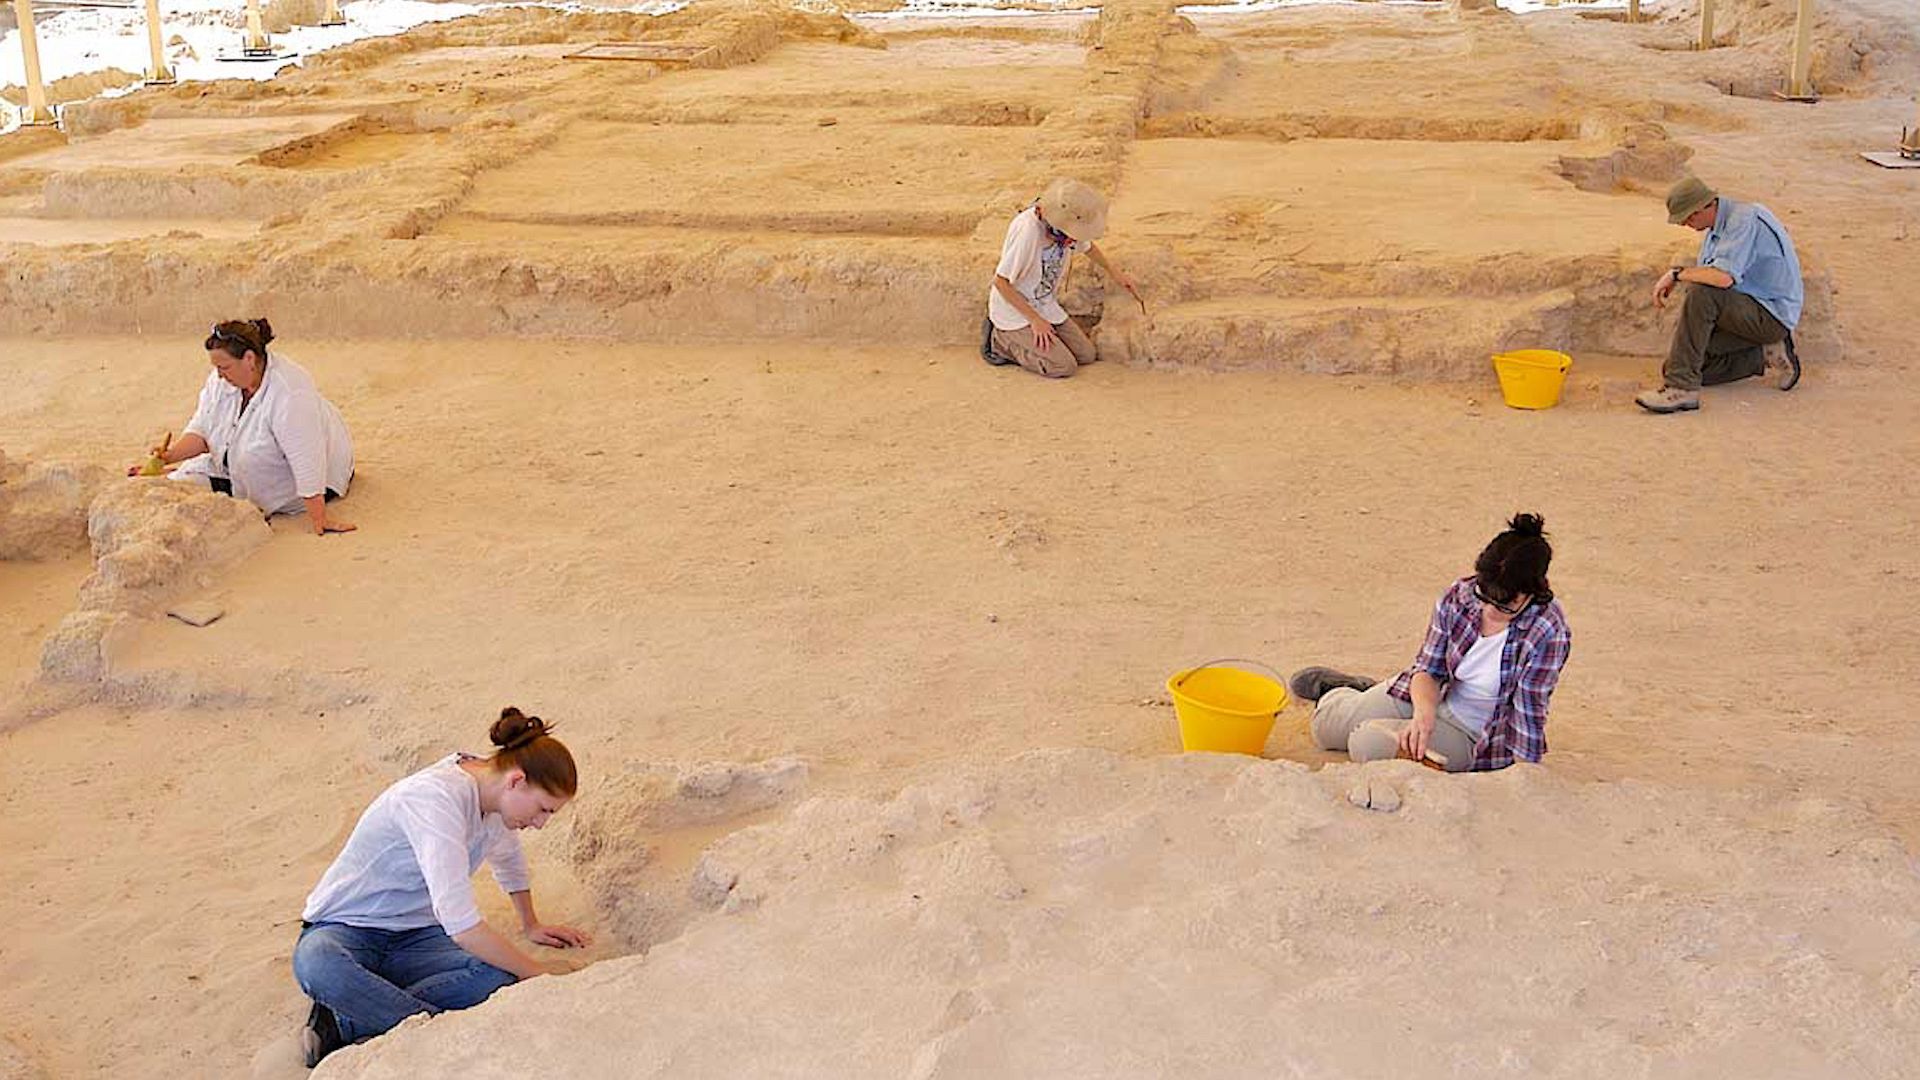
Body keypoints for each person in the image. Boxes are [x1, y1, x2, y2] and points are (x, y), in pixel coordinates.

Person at [292, 708, 591, 1067]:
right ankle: (423, 1028)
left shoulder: (494, 798)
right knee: (318, 965)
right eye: (543, 809)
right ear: (516, 781)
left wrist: (532, 925)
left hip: (416, 936)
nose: (540, 824)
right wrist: (541, 975)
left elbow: (509, 862)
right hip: (344, 928)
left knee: (497, 976)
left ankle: (347, 1020)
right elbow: (462, 927)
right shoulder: (434, 800)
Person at [1290, 514, 1572, 772]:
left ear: (1533, 592)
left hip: (1471, 730)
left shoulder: (1548, 629)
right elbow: (1428, 668)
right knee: (1324, 728)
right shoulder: (1459, 595)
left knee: (1366, 742)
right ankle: (1354, 691)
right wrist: (1424, 717)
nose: (1489, 609)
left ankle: (1372, 700)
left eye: (1505, 605)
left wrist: (1525, 773)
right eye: (1484, 596)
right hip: (1430, 697)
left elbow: (1529, 707)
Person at [130, 318, 356, 534]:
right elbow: (203, 428)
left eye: (224, 367)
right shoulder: (222, 379)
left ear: (249, 359)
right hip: (233, 467)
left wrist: (319, 518)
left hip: (299, 481)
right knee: (175, 485)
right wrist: (169, 456)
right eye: (216, 367)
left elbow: (306, 456)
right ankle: (181, 472)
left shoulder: (290, 394)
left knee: (248, 466)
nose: (218, 375)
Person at [1635, 176, 1804, 414]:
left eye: (1689, 217)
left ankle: (1681, 389)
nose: (1687, 223)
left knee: (1702, 293)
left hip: (1771, 315)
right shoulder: (1716, 229)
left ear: (1708, 205)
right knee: (1686, 363)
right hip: (1745, 313)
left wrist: (1676, 274)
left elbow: (1723, 278)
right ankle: (1764, 354)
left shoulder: (1742, 220)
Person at [981, 177, 1144, 379]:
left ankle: (1042, 342)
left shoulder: (1063, 228)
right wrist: (1035, 320)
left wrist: (1115, 272)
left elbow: (1089, 247)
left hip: (1043, 304)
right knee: (1063, 366)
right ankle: (1001, 341)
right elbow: (1001, 282)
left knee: (1086, 355)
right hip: (1015, 313)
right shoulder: (1028, 231)